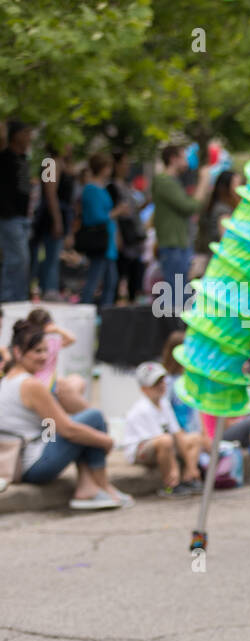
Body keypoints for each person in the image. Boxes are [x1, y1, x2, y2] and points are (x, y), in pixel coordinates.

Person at [0, 315, 129, 508]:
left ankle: (88, 486)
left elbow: (50, 426)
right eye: (37, 351)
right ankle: (102, 486)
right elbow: (67, 429)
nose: (44, 356)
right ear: (18, 352)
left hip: (23, 456)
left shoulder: (9, 379)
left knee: (82, 427)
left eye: (46, 350)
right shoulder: (30, 384)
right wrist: (106, 441)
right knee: (93, 418)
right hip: (33, 464)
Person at [121, 361, 206, 497]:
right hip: (141, 449)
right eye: (155, 384)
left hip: (163, 443)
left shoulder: (164, 403)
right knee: (165, 441)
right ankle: (171, 484)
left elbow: (177, 433)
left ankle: (188, 478)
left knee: (194, 438)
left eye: (162, 382)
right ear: (144, 389)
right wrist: (174, 468)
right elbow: (161, 440)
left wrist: (191, 467)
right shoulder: (142, 409)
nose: (161, 386)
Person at [151, 144, 212, 315]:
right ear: (173, 158)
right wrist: (203, 181)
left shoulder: (172, 182)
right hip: (173, 246)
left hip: (180, 245)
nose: (187, 162)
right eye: (183, 157)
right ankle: (176, 335)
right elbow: (189, 207)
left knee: (183, 295)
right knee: (177, 298)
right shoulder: (163, 181)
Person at [78, 153, 128, 308]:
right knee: (95, 278)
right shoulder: (91, 189)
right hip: (99, 240)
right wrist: (117, 212)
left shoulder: (100, 188)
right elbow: (95, 216)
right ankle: (86, 308)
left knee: (110, 281)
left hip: (108, 241)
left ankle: (106, 312)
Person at [32, 142, 74, 301]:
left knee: (54, 255)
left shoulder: (64, 165)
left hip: (60, 214)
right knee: (51, 255)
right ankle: (48, 289)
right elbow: (50, 193)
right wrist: (57, 220)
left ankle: (50, 287)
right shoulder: (50, 163)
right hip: (51, 216)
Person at [0, 121, 33, 303]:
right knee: (17, 259)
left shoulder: (25, 159)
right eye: (26, 133)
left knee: (22, 260)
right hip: (10, 217)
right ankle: (9, 298)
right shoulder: (5, 158)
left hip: (22, 217)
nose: (29, 138)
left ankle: (18, 297)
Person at [109, 153, 147, 303]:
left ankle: (131, 302)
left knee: (134, 273)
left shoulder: (127, 186)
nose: (128, 167)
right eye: (124, 163)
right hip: (122, 236)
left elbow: (132, 211)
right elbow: (117, 213)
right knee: (119, 273)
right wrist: (117, 235)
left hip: (133, 237)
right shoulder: (112, 187)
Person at [193, 169, 240, 278]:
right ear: (226, 188)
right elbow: (227, 240)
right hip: (219, 268)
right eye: (237, 184)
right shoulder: (223, 211)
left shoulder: (214, 207)